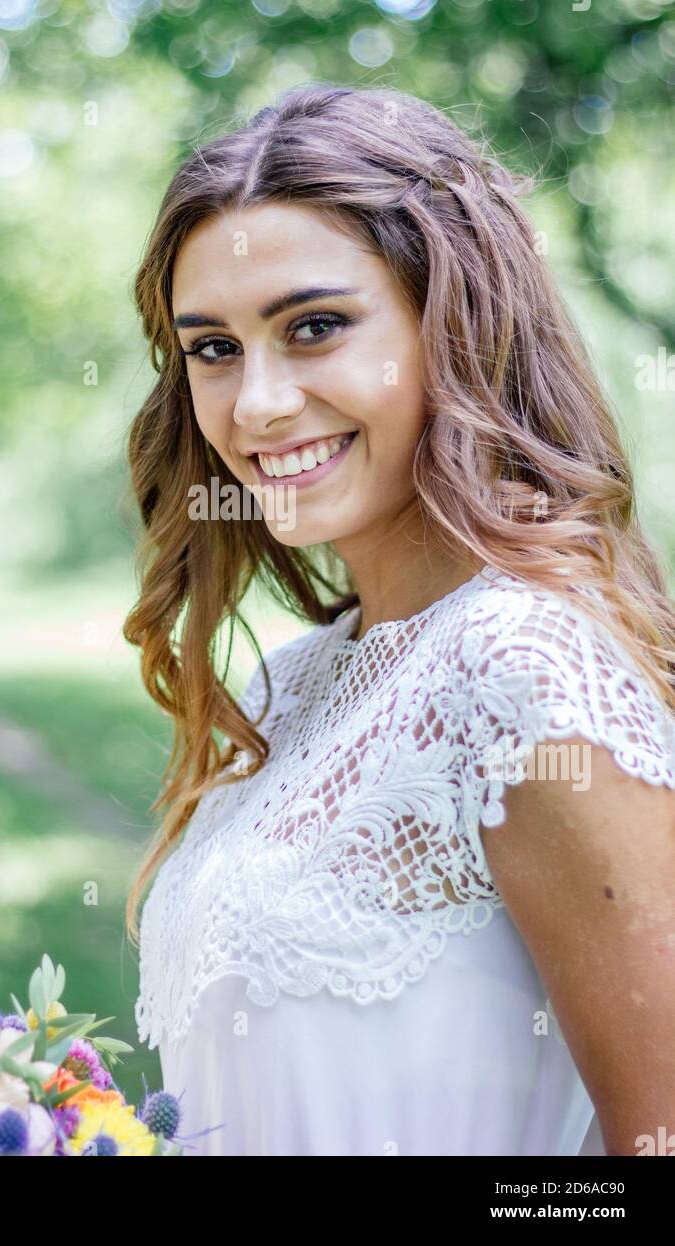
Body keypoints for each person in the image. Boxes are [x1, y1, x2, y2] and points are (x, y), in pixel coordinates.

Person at [122, 83, 675, 1156]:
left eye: (314, 327)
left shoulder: (524, 667)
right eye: (213, 348)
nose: (257, 404)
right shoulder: (289, 687)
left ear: (452, 321)